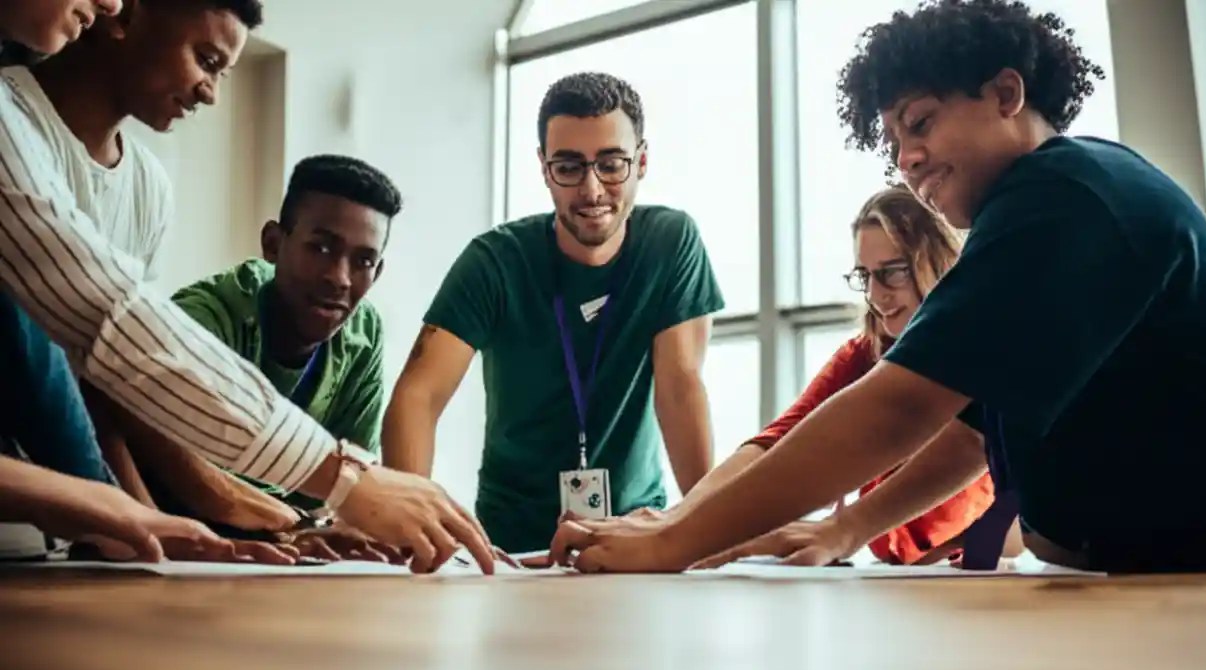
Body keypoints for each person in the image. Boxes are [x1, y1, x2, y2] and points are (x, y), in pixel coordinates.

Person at [549, 0, 1206, 575]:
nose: (907, 158)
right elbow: (969, 429)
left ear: (1005, 93)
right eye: (894, 140)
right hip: (1188, 566)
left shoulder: (1064, 197)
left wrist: (677, 543)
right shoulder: (1048, 209)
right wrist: (846, 526)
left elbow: (899, 410)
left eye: (921, 123)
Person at [0, 0, 499, 574]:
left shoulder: (147, 185)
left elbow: (102, 372)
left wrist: (130, 525)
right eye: (205, 59)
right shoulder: (14, 118)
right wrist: (338, 481)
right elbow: (114, 328)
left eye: (363, 260)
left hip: (50, 525)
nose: (210, 92)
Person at [383, 72, 724, 553]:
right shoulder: (494, 262)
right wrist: (408, 529)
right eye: (568, 166)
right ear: (544, 168)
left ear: (641, 161)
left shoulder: (671, 244)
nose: (591, 189)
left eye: (611, 164)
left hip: (635, 536)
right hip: (511, 546)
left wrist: (706, 530)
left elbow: (680, 385)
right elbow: (419, 394)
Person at [679, 185, 1004, 568]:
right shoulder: (864, 354)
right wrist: (679, 521)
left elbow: (988, 483)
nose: (877, 294)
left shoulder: (988, 347)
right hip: (895, 575)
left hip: (988, 570)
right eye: (865, 276)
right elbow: (775, 440)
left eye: (892, 272)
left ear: (940, 258)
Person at [121, 155, 404, 563]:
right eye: (321, 248)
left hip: (285, 547)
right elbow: (172, 460)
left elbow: (347, 479)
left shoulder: (364, 332)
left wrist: (347, 525)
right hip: (176, 548)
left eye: (363, 261)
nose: (340, 277)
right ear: (273, 243)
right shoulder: (202, 318)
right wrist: (294, 524)